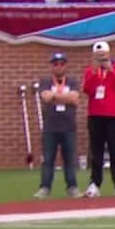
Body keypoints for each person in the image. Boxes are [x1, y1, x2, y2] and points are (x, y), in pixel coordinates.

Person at [81, 41, 115, 197]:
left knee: (114, 152)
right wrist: (95, 72)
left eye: (103, 56)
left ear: (109, 54)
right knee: (96, 153)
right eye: (98, 56)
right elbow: (87, 89)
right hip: (95, 116)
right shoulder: (91, 70)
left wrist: (111, 71)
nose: (101, 59)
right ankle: (95, 184)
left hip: (114, 116)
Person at [35, 52, 81, 198]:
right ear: (52, 66)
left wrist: (54, 97)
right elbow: (45, 97)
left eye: (61, 64)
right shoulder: (45, 81)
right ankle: (45, 187)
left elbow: (74, 98)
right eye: (56, 64)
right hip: (50, 127)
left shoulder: (72, 81)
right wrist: (64, 98)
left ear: (65, 65)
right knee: (48, 159)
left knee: (70, 159)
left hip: (69, 127)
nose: (59, 67)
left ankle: (72, 187)